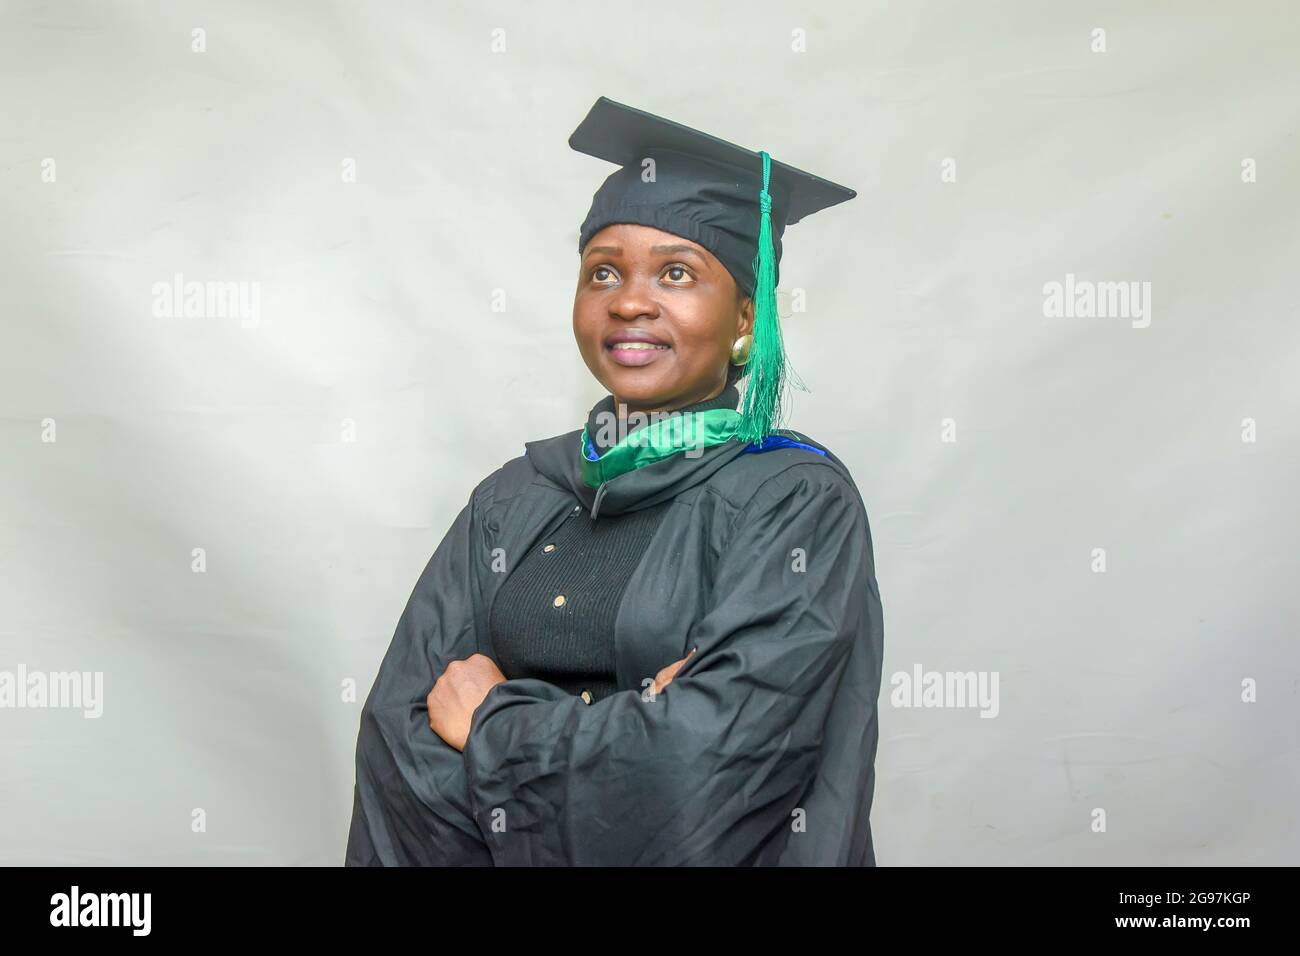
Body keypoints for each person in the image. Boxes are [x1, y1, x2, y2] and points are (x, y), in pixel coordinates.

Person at [345, 97, 885, 866]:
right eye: (603, 271)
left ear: (744, 322)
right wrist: (635, 720)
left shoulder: (793, 501)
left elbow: (707, 774)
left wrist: (494, 720)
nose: (629, 300)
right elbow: (398, 745)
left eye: (676, 272)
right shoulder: (513, 498)